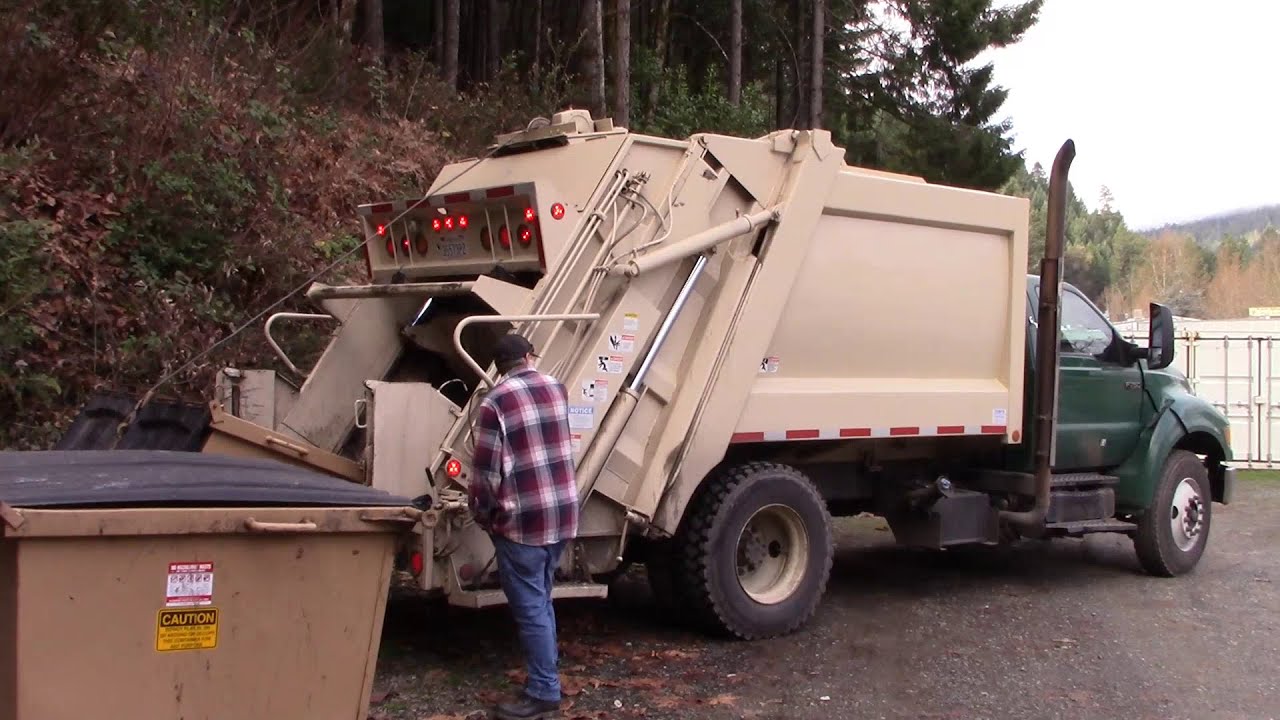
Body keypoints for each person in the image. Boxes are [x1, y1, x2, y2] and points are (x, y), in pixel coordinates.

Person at [468, 333, 579, 720]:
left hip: (522, 522)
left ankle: (544, 691)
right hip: (562, 513)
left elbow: (485, 473)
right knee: (541, 600)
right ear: (529, 357)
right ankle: (545, 679)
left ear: (499, 366)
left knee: (531, 606)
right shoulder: (557, 388)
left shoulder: (494, 402)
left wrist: (484, 515)